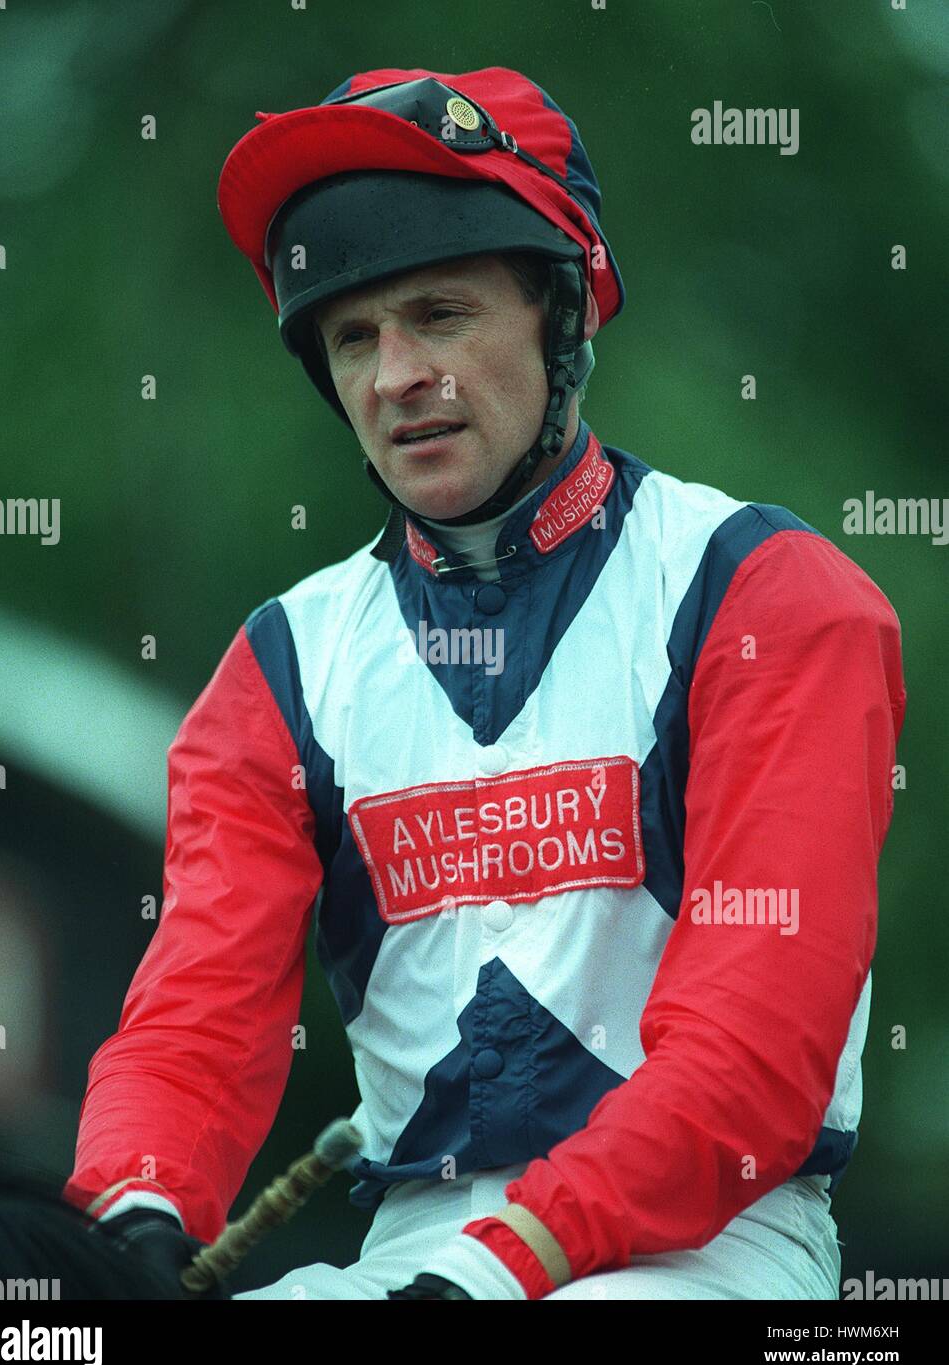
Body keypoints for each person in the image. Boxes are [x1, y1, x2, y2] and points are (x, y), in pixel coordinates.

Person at [64, 67, 906, 1300]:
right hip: (407, 1252)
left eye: (440, 315)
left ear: (564, 315)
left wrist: (511, 1255)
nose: (396, 374)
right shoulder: (277, 666)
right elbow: (192, 1024)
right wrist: (129, 1215)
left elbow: (751, 1053)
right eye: (353, 336)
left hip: (707, 1247)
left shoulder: (771, 597)